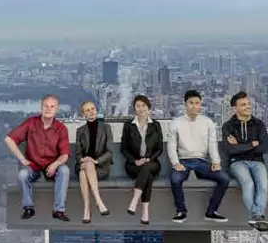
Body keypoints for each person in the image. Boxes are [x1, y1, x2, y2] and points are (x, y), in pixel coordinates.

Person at [3, 94, 71, 221]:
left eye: (52, 106)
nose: (49, 109)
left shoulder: (61, 129)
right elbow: (9, 139)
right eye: (46, 106)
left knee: (64, 170)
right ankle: (28, 208)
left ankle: (58, 210)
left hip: (52, 166)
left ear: (56, 109)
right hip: (33, 165)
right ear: (41, 107)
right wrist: (22, 159)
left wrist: (55, 164)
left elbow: (65, 155)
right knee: (23, 174)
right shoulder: (31, 123)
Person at [166, 90, 230, 223]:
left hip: (202, 161)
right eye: (191, 103)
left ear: (200, 104)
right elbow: (171, 146)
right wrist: (176, 163)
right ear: (185, 104)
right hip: (183, 160)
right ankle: (181, 211)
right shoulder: (176, 123)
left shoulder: (208, 122)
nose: (194, 106)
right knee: (175, 179)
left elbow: (212, 144)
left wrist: (216, 161)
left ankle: (211, 211)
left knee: (223, 178)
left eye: (197, 103)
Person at [223, 91, 268, 231]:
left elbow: (265, 147)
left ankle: (256, 217)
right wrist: (251, 144)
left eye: (248, 104)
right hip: (237, 163)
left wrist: (239, 145)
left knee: (262, 186)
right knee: (248, 184)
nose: (248, 107)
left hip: (257, 161)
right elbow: (230, 150)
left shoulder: (259, 124)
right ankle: (258, 216)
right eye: (243, 105)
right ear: (235, 108)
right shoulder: (228, 126)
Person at [120, 95, 163, 225]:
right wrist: (135, 161)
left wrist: (149, 158)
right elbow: (124, 149)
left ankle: (134, 200)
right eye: (138, 106)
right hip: (134, 165)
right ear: (134, 108)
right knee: (147, 174)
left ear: (148, 107)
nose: (141, 108)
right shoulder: (128, 125)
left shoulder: (156, 125)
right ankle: (145, 211)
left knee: (148, 167)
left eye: (143, 106)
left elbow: (160, 149)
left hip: (152, 162)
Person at [74, 100, 112, 224]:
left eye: (92, 109)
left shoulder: (106, 127)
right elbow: (78, 154)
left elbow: (109, 152)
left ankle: (87, 209)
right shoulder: (80, 131)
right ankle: (99, 201)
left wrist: (95, 161)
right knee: (86, 166)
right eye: (87, 110)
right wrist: (84, 159)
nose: (91, 112)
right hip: (84, 164)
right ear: (83, 114)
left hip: (100, 167)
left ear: (96, 110)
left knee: (83, 173)